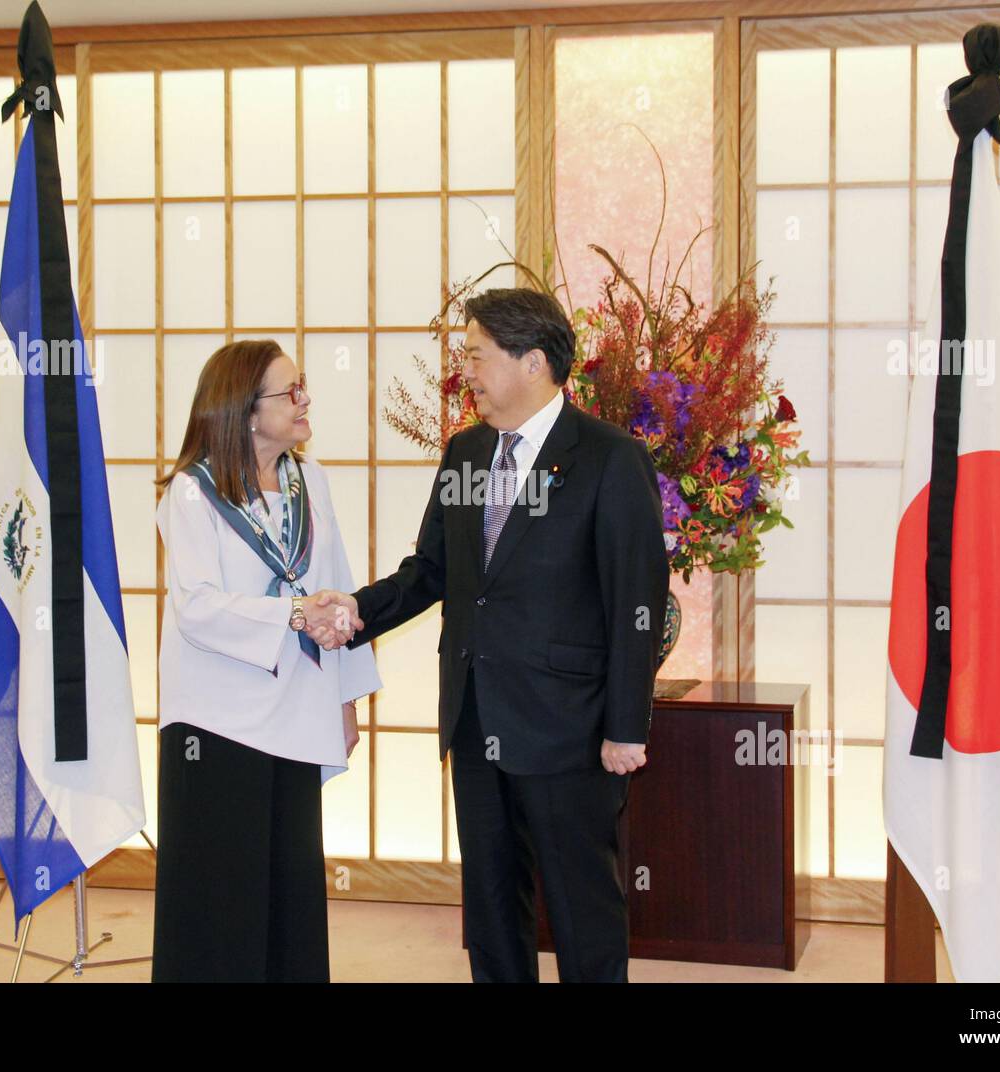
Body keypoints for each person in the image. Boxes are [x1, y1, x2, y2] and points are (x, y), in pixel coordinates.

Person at [320, 288, 669, 982]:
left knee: (581, 907)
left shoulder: (608, 457)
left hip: (568, 724)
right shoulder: (466, 453)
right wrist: (355, 611)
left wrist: (627, 726)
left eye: (477, 356)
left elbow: (640, 599)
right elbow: (431, 571)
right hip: (477, 714)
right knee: (489, 906)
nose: (466, 373)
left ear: (533, 362)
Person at [151, 339, 379, 983]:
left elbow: (337, 590)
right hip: (216, 722)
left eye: (303, 385)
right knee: (223, 893)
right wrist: (292, 614)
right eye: (290, 391)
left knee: (290, 883)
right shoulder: (192, 494)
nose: (305, 400)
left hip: (298, 711)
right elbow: (196, 608)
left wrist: (346, 699)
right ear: (246, 412)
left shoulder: (313, 480)